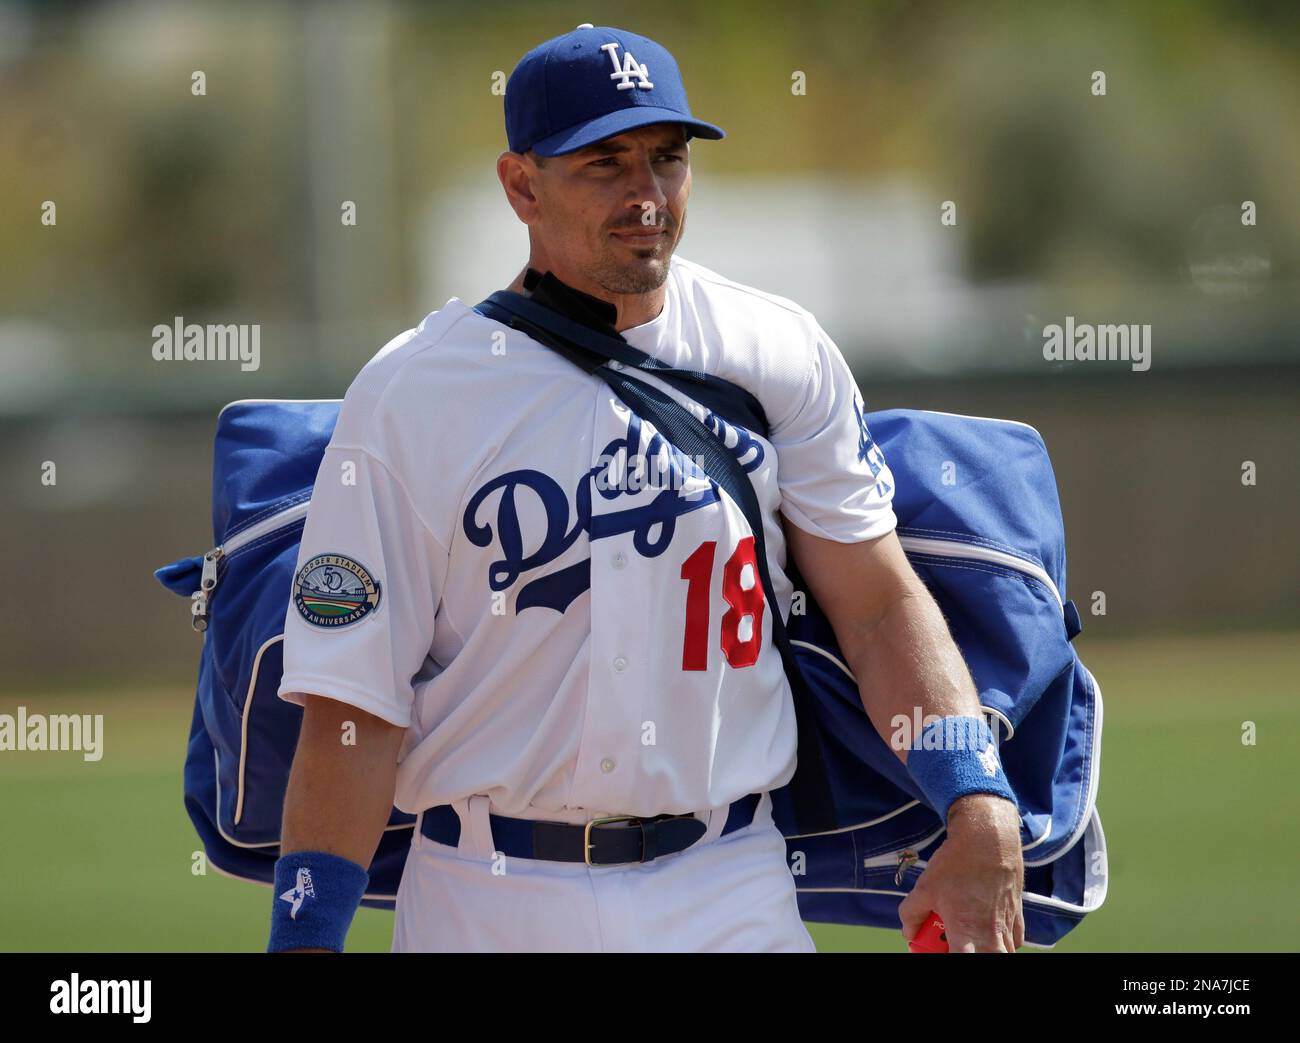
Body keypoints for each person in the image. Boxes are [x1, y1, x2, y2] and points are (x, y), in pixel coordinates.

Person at [269, 23, 1024, 954]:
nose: (646, 195)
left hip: (729, 882)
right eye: (605, 163)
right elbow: (355, 710)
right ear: (520, 185)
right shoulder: (412, 394)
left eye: (667, 159)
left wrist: (976, 792)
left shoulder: (775, 353)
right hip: (486, 894)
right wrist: (303, 940)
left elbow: (874, 606)